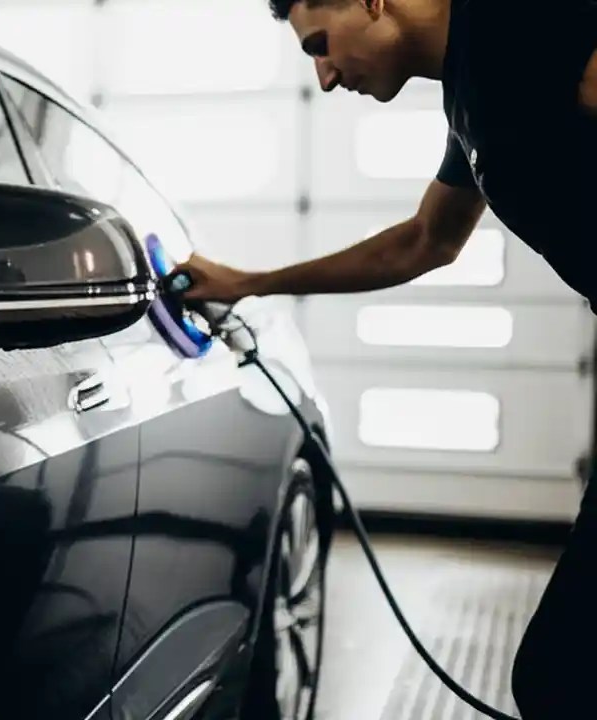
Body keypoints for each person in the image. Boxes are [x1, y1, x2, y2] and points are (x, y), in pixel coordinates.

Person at [179, 0, 597, 717]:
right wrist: (249, 284)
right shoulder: (468, 97)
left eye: (321, 43)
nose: (326, 76)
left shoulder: (517, 22)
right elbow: (423, 242)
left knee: (561, 677)